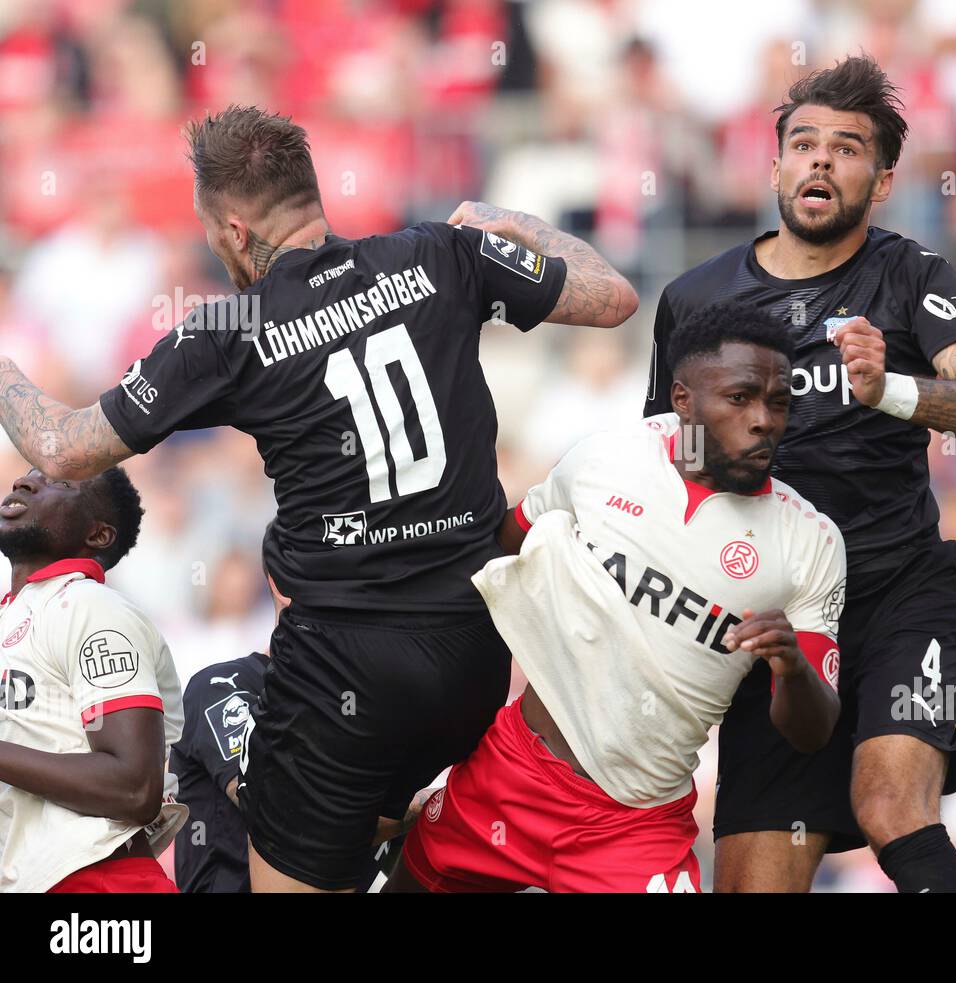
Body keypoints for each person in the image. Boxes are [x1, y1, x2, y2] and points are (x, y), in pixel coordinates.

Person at [0, 105, 638, 892]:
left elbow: (60, 445)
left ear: (234, 230)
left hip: (344, 667)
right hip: (475, 653)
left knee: (215, 709)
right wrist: (511, 222)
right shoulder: (440, 251)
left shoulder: (231, 325)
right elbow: (613, 297)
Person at [644, 56, 956, 892]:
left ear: (882, 180)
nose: (821, 160)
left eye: (848, 148)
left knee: (893, 804)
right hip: (773, 622)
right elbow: (668, 459)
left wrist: (891, 388)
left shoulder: (911, 276)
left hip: (899, 594)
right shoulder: (694, 299)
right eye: (804, 143)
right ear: (774, 162)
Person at [387, 301, 845, 892]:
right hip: (511, 776)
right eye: (740, 398)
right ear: (682, 400)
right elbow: (500, 547)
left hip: (635, 828)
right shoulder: (607, 458)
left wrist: (792, 667)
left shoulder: (810, 542)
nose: (763, 420)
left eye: (777, 402)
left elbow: (813, 731)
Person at [170, 564, 428, 892]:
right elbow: (277, 811)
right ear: (281, 585)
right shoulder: (221, 688)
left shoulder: (387, 712)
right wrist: (420, 808)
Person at [0, 466, 185, 892]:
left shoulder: (91, 606)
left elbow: (135, 787)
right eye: (27, 476)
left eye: (59, 484)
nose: (24, 483)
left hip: (101, 881)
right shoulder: (16, 616)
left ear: (99, 535)